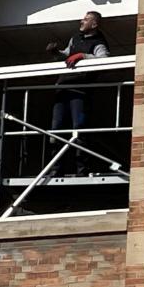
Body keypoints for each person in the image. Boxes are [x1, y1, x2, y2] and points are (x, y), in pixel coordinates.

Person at [44, 11, 110, 176]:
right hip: (63, 88)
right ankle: (56, 169)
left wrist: (83, 56)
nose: (82, 21)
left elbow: (104, 60)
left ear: (94, 24)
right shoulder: (75, 38)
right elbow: (66, 55)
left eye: (86, 19)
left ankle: (82, 169)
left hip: (80, 92)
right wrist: (56, 53)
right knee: (56, 129)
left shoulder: (99, 43)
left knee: (79, 129)